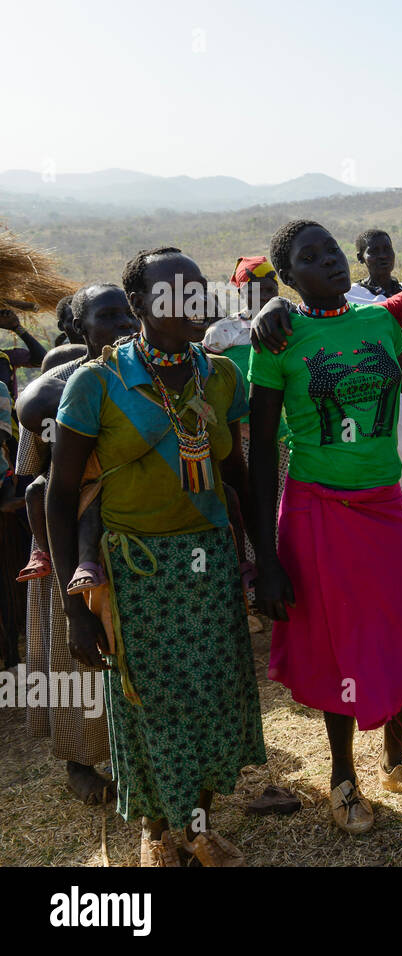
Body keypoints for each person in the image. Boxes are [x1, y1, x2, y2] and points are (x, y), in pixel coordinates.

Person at [48, 248, 265, 866]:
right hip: (135, 576)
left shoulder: (220, 376)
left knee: (211, 702)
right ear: (139, 306)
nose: (194, 303)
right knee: (153, 708)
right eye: (175, 293)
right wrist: (76, 607)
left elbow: (237, 476)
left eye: (200, 290)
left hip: (210, 569)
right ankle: (158, 831)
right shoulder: (97, 383)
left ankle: (194, 825)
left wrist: (257, 562)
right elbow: (60, 500)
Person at [249, 221, 402, 835]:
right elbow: (259, 458)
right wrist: (267, 560)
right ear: (289, 278)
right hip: (317, 509)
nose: (330, 262)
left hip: (383, 506)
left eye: (332, 250)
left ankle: (395, 761)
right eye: (310, 257)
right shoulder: (278, 339)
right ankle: (343, 778)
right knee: (337, 644)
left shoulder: (380, 322)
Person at [14, 285, 138, 805]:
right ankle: (79, 761)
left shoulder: (148, 378)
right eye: (105, 316)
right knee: (80, 664)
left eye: (126, 313)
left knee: (133, 659)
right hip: (71, 552)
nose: (121, 324)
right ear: (78, 329)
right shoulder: (51, 390)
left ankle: (137, 758)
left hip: (136, 542)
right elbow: (30, 480)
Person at [203, 256, 289, 628]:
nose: (264, 295)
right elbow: (208, 383)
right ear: (239, 290)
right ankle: (252, 592)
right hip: (240, 441)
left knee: (281, 506)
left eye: (270, 289)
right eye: (255, 289)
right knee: (247, 508)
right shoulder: (221, 334)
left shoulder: (288, 326)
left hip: (284, 436)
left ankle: (283, 581)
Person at [346, 229, 402, 507]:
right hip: (374, 392)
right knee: (379, 470)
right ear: (361, 257)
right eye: (374, 251)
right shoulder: (351, 297)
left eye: (387, 249)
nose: (383, 256)